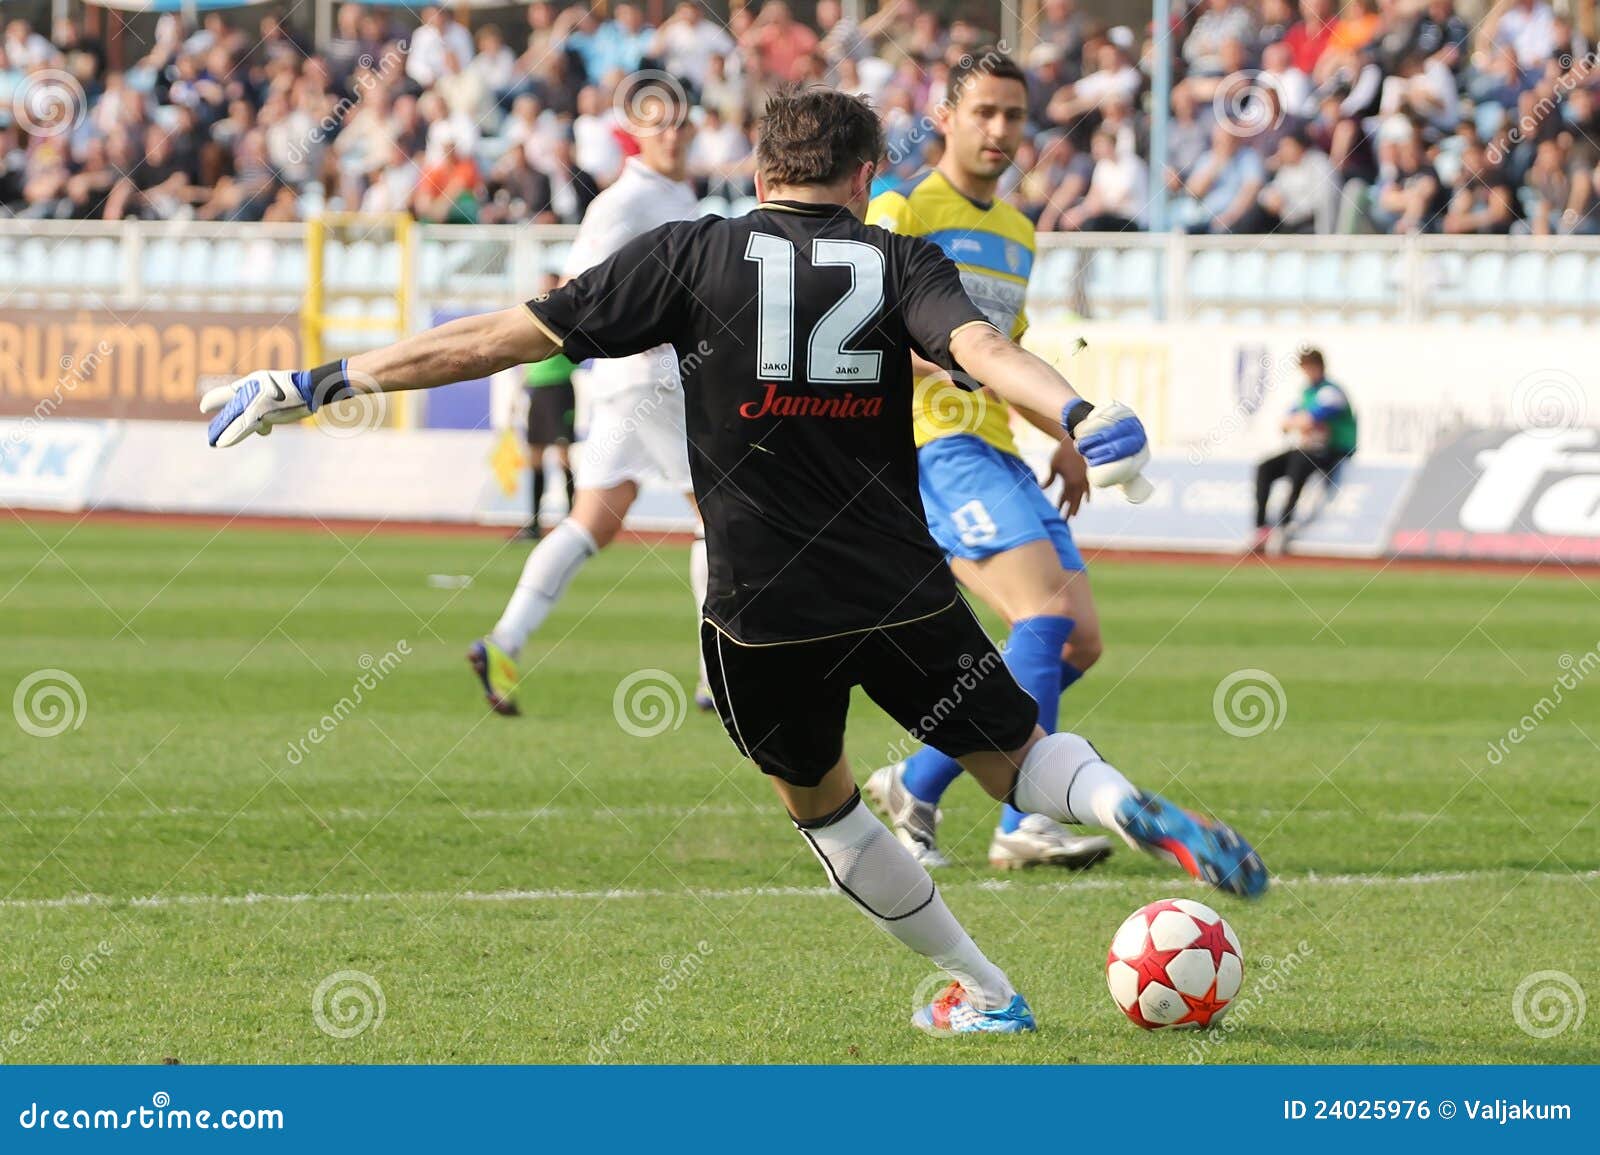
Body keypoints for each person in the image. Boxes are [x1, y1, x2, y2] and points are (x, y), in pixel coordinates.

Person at [202, 87, 1267, 1035]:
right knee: (1018, 755)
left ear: (759, 176)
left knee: (826, 807)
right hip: (897, 586)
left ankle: (985, 989)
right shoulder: (901, 259)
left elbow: (502, 336)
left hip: (761, 607)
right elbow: (980, 351)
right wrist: (1080, 411)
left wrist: (318, 382)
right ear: (865, 179)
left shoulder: (690, 253)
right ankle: (1118, 805)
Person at [864, 52, 1115, 873]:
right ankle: (1026, 818)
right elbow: (860, 330)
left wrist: (1064, 435)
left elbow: (1009, 355)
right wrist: (944, 367)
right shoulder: (903, 206)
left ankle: (916, 782)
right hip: (930, 443)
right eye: (985, 112)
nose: (1002, 129)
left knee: (1078, 642)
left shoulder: (1018, 231)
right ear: (946, 117)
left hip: (999, 445)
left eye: (1014, 114)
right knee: (1040, 615)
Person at [464, 78, 706, 716]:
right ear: (636, 133)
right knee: (719, 517)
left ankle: (504, 641)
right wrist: (647, 331)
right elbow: (579, 289)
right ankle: (719, 674)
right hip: (654, 380)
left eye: (680, 122)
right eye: (659, 123)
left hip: (633, 386)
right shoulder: (625, 201)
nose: (673, 133)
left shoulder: (677, 193)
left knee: (594, 519)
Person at [1250, 348, 1358, 551]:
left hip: (1334, 451)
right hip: (1309, 449)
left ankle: (1284, 526)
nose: (1306, 373)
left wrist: (1299, 422)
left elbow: (1309, 419)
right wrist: (1298, 422)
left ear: (1318, 367)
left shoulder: (1331, 392)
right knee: (1265, 467)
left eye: (1308, 368)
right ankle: (1261, 529)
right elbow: (1287, 422)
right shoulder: (1308, 393)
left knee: (1298, 464)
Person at [519, 337, 577, 541]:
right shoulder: (531, 327)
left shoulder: (562, 324)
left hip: (559, 389)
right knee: (535, 457)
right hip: (536, 390)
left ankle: (574, 521)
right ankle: (534, 524)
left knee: (563, 456)